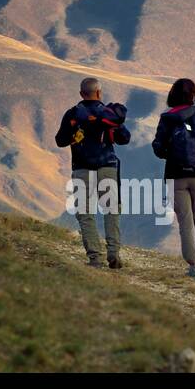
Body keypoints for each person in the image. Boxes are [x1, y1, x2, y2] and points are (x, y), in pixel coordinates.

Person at [54, 76, 131, 269]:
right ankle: (113, 253)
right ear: (99, 93)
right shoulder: (108, 114)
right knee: (111, 210)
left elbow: (60, 141)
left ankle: (95, 258)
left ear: (81, 94)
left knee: (85, 213)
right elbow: (124, 138)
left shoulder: (72, 114)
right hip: (108, 167)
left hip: (82, 169)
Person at [151, 78, 195, 279]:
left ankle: (192, 265)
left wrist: (169, 154)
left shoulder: (167, 118)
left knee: (185, 222)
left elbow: (157, 147)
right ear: (193, 95)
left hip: (176, 176)